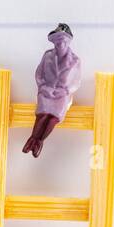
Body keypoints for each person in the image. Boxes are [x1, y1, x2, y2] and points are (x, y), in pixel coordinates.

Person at [22, 23, 83, 157]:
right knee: (42, 115)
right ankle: (32, 140)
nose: (60, 44)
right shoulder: (48, 55)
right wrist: (43, 86)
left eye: (63, 41)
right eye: (57, 41)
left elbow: (76, 81)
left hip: (62, 95)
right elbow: (39, 73)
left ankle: (38, 141)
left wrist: (66, 90)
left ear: (68, 42)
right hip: (46, 91)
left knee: (53, 118)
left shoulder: (75, 61)